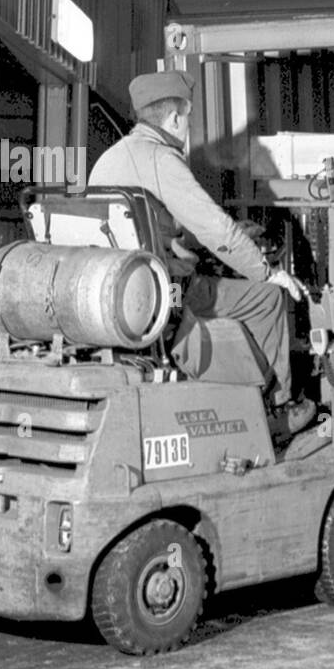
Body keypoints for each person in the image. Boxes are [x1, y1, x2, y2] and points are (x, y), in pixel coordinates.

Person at [89, 69, 315, 438]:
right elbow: (217, 231)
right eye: (187, 119)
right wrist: (267, 270)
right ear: (175, 118)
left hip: (122, 297)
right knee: (268, 300)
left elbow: (142, 230)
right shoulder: (162, 160)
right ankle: (278, 410)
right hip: (170, 296)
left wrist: (183, 247)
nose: (187, 127)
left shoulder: (108, 161)